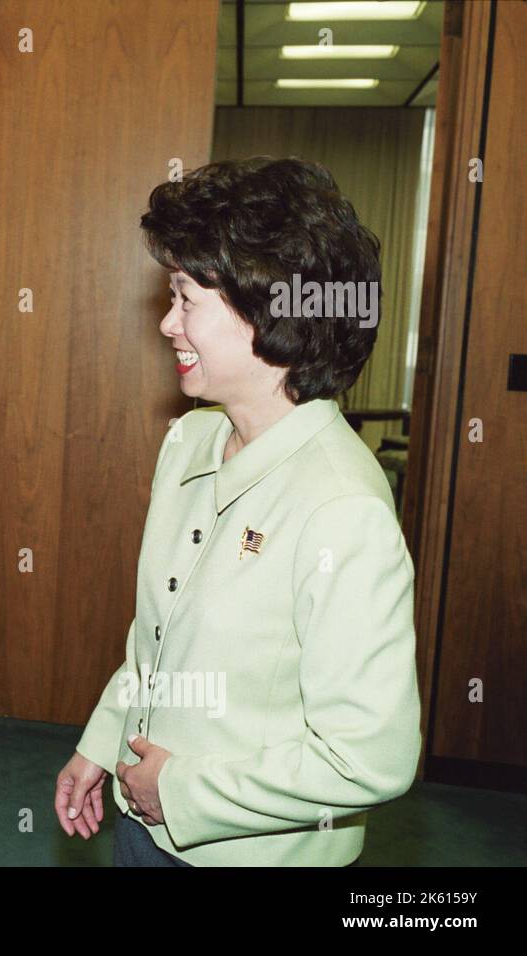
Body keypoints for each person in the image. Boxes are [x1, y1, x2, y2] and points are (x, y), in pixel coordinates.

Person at [54, 157, 422, 866]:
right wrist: (100, 742)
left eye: (186, 299)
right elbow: (155, 636)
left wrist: (188, 792)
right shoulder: (191, 440)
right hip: (142, 827)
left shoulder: (342, 507)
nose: (166, 323)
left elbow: (371, 758)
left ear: (269, 311)